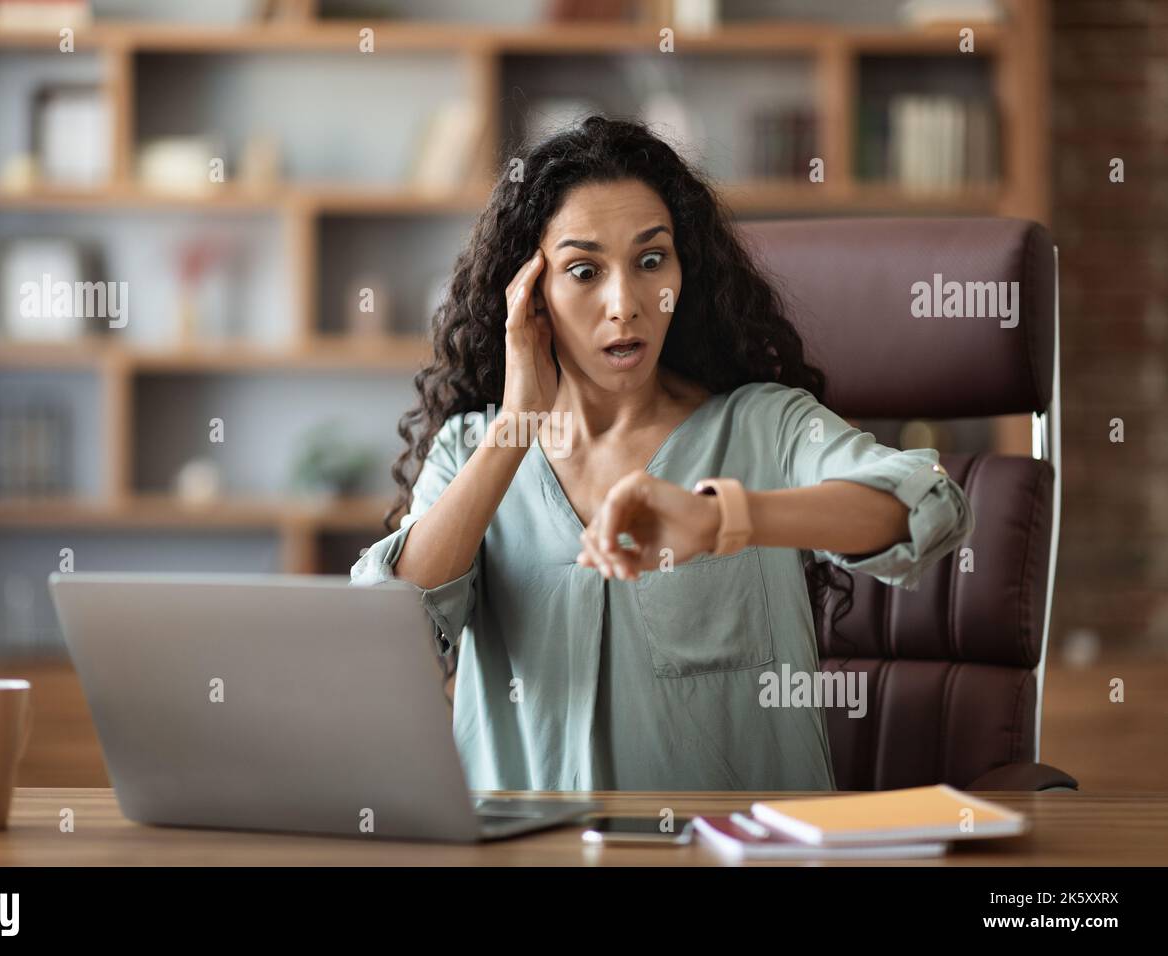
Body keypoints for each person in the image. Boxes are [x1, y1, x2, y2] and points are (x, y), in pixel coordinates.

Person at [351, 115, 974, 791]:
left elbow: (927, 507)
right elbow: (389, 627)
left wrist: (720, 520)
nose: (626, 304)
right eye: (584, 271)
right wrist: (517, 423)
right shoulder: (475, 448)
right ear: (530, 296)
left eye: (652, 261)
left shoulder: (762, 426)